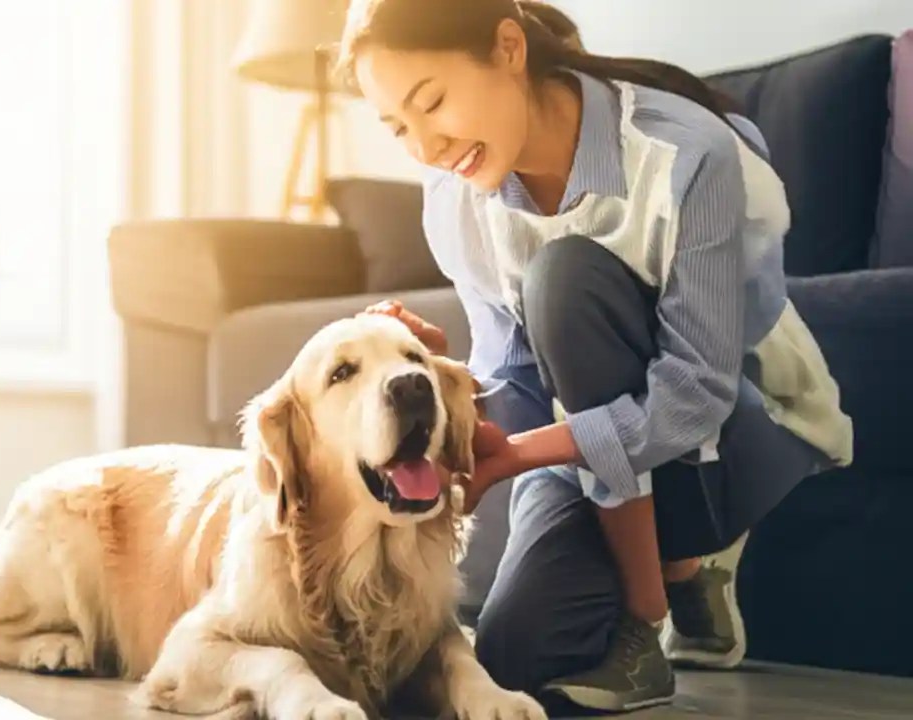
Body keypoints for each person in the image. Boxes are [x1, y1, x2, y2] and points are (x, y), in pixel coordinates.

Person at [340, 0, 853, 713]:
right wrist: (431, 374)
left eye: (432, 102)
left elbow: (698, 390)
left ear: (509, 49)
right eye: (399, 127)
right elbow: (515, 381)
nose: (426, 146)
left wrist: (523, 456)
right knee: (511, 656)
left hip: (733, 430)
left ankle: (656, 600)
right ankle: (691, 581)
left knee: (564, 279)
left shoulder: (689, 154)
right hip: (593, 448)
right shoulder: (457, 200)